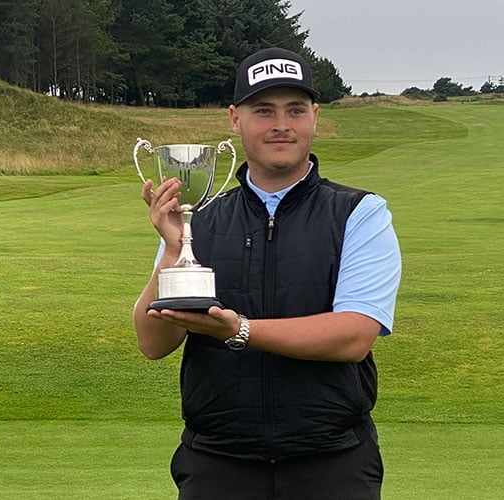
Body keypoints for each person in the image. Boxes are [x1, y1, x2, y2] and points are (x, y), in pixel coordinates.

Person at [133, 47, 401, 499]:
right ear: (235, 119)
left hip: (331, 460)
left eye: (295, 110)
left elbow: (354, 335)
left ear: (314, 116)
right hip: (218, 461)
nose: (281, 124)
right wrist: (175, 248)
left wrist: (239, 330)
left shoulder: (359, 213)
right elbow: (153, 342)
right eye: (264, 111)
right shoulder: (202, 217)